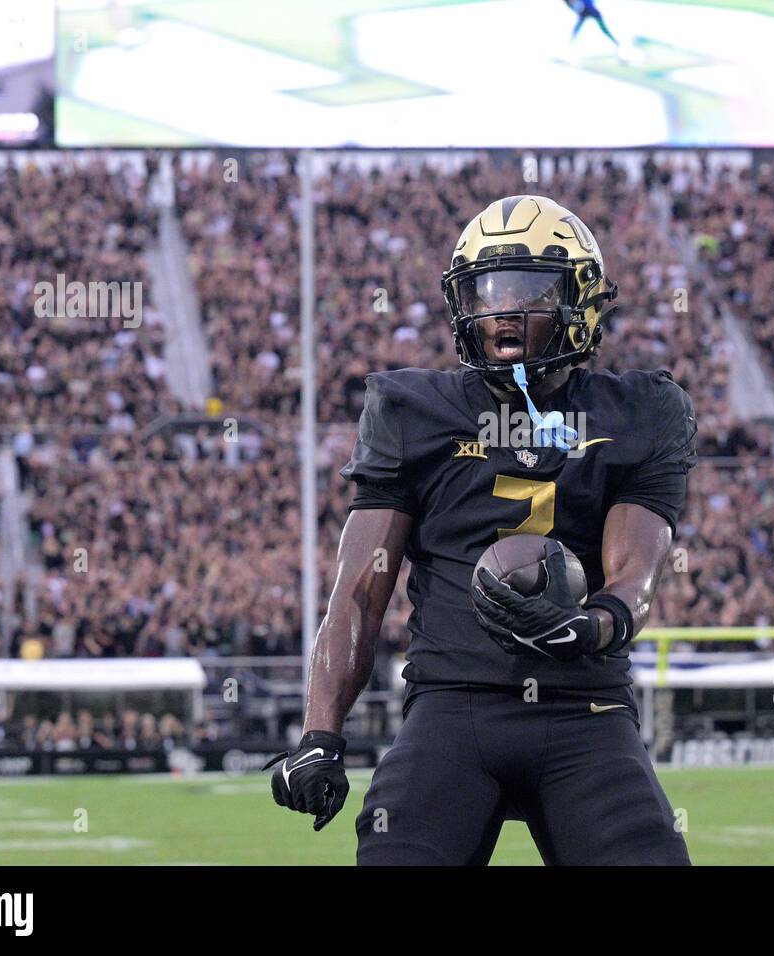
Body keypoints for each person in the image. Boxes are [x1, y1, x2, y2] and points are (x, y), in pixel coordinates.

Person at [270, 195, 697, 864]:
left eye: (526, 289)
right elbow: (357, 592)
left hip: (584, 709)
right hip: (453, 709)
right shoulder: (413, 409)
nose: (500, 309)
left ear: (579, 298)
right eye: (484, 289)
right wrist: (320, 733)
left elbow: (635, 573)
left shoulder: (640, 410)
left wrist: (597, 622)